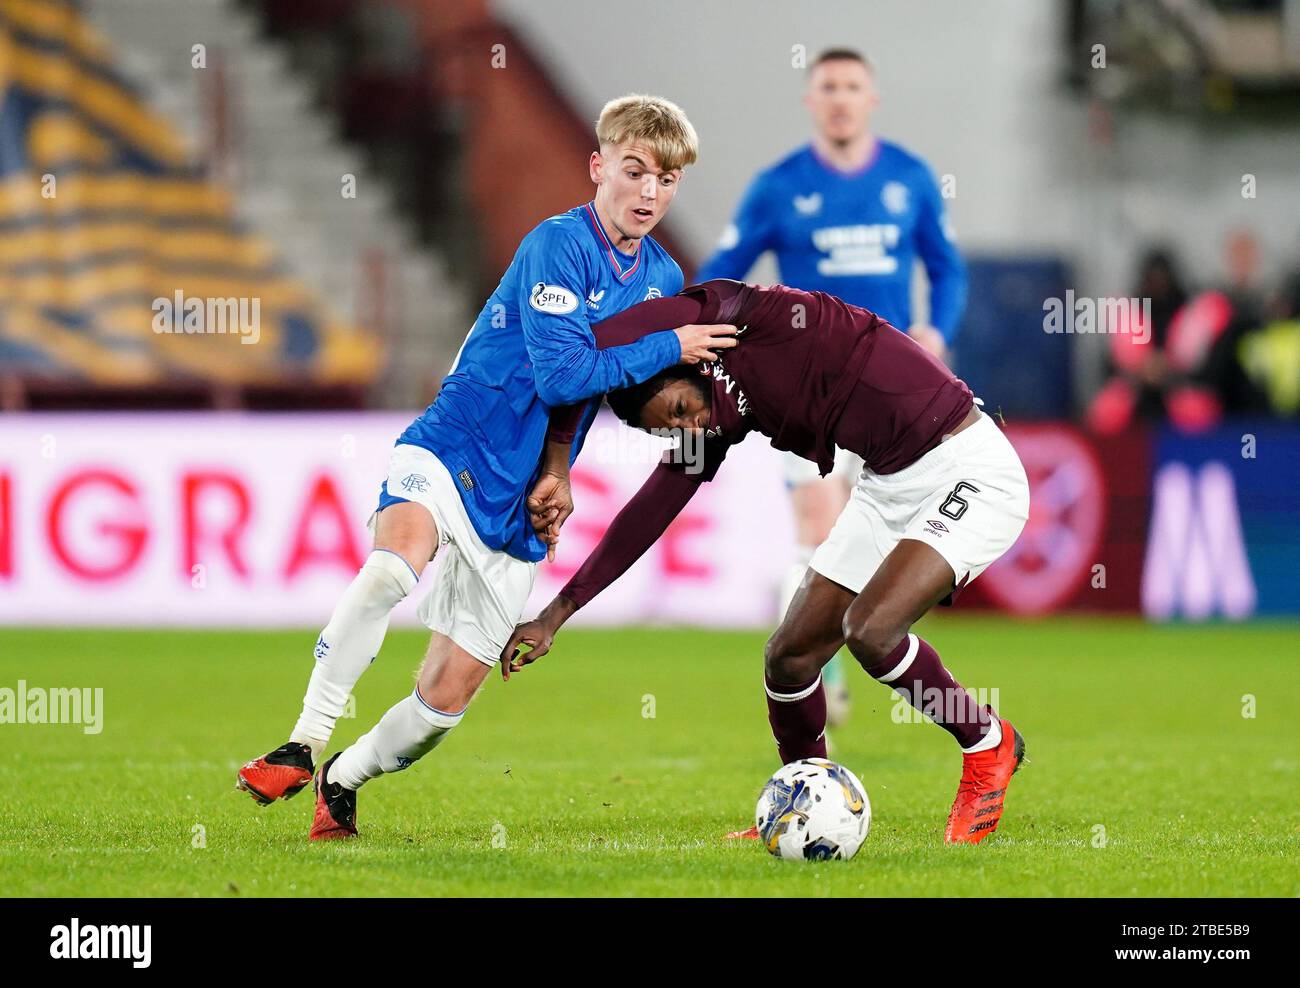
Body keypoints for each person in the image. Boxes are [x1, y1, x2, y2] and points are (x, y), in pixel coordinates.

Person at [234, 94, 738, 839]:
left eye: (667, 180)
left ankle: (344, 777)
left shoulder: (661, 278)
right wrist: (675, 346)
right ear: (600, 167)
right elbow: (566, 372)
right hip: (455, 444)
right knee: (392, 567)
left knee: (443, 704)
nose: (649, 192)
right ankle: (303, 742)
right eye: (635, 171)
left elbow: (592, 394)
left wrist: (559, 470)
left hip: (522, 494)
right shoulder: (556, 245)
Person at [509, 279, 1028, 845]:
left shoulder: (736, 312)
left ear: (689, 359)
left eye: (680, 409)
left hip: (968, 468)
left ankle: (986, 744)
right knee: (789, 658)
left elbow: (594, 342)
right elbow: (647, 515)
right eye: (670, 430)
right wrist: (558, 611)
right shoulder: (712, 423)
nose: (689, 429)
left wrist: (560, 454)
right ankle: (800, 800)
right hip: (889, 486)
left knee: (872, 631)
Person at [696, 49, 968, 725]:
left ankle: (842, 650)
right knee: (817, 527)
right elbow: (719, 274)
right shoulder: (777, 186)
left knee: (871, 533)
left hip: (893, 390)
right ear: (811, 102)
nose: (841, 98)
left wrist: (938, 330)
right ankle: (822, 678)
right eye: (828, 88)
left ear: (871, 98)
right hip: (807, 391)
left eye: (852, 87)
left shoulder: (910, 179)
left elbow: (947, 266)